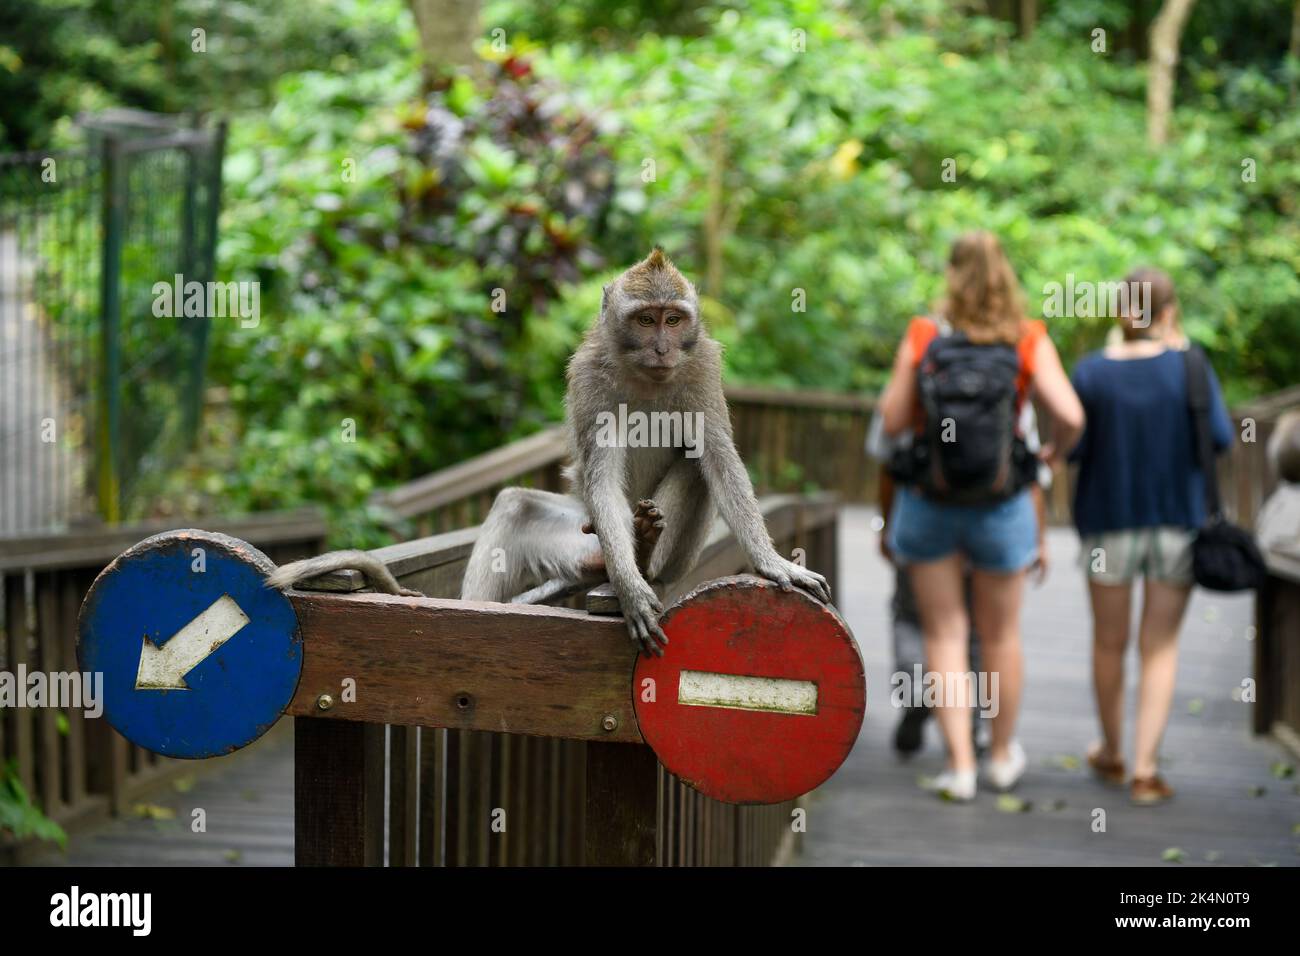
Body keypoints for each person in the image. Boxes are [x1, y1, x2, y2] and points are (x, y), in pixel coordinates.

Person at [879, 231, 1084, 801]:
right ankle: (1000, 758)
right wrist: (1054, 452)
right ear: (1005, 275)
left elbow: (893, 420)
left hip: (929, 503)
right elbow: (1071, 412)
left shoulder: (924, 335)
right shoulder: (1028, 337)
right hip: (1003, 504)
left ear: (951, 274)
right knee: (1002, 637)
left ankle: (960, 769)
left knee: (945, 636)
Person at [1070, 267, 1233, 805]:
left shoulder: (1090, 373)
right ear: (1167, 312)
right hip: (1176, 526)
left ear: (1120, 312)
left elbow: (1071, 447)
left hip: (1105, 527)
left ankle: (1112, 753)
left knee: (1107, 642)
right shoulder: (1190, 365)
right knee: (1159, 647)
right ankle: (1145, 769)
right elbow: (1220, 439)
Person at [868, 388, 1052, 757]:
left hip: (925, 518)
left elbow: (889, 463)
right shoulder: (1008, 384)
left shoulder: (915, 375)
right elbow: (1029, 471)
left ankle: (918, 693)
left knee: (915, 618)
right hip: (993, 522)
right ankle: (981, 725)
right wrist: (1038, 537)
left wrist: (889, 525)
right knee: (987, 630)